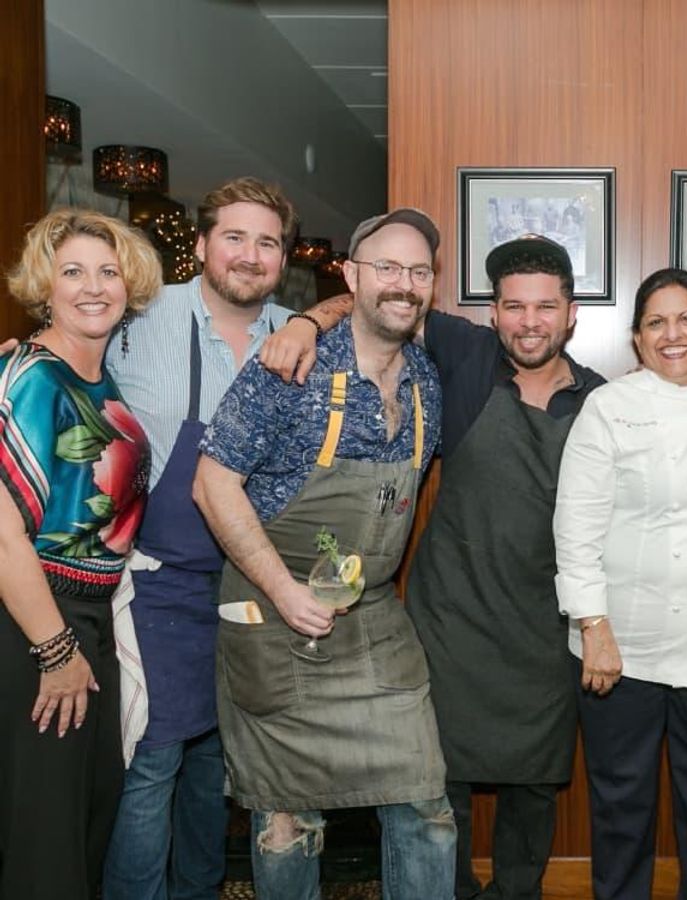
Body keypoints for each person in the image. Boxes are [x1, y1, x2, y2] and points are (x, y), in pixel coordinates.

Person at [260, 233, 605, 900]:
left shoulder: (601, 400)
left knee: (533, 790)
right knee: (434, 785)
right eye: (513, 306)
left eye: (544, 308)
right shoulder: (467, 354)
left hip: (545, 625)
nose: (528, 323)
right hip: (452, 621)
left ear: (570, 314)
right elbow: (377, 298)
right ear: (494, 311)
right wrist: (306, 320)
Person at [192, 208, 454, 899]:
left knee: (427, 806)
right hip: (276, 621)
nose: (403, 284)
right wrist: (282, 590)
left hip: (370, 617)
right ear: (352, 276)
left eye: (419, 271)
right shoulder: (287, 365)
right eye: (387, 268)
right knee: (286, 824)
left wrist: (314, 313)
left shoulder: (427, 377)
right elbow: (213, 485)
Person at [103, 176, 299, 900]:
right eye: (235, 237)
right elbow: (69, 355)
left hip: (250, 586)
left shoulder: (297, 335)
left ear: (283, 258)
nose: (250, 255)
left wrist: (318, 317)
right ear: (203, 244)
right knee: (152, 759)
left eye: (267, 242)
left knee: (216, 762)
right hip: (154, 580)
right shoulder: (139, 316)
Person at [554, 267, 687, 900]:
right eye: (656, 323)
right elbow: (575, 526)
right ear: (638, 339)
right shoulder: (610, 407)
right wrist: (594, 628)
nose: (673, 335)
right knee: (621, 807)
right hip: (624, 644)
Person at [0, 209, 158, 898]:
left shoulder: (97, 377)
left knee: (82, 830)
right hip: (31, 622)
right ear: (46, 284)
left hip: (86, 622)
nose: (92, 286)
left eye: (107, 270)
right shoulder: (28, 376)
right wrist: (56, 651)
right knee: (44, 850)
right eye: (72, 272)